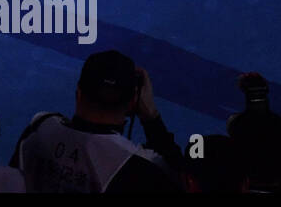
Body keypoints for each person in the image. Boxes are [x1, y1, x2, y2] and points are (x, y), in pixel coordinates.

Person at [10, 50, 184, 192]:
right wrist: (152, 118)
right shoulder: (140, 166)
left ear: (78, 93)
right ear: (133, 103)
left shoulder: (40, 127)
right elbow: (184, 180)